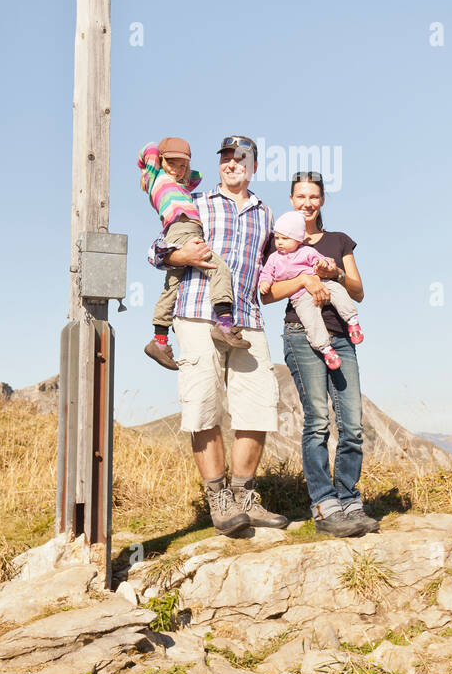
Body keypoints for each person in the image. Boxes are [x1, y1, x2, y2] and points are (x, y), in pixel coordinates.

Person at [148, 135, 287, 537]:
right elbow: (157, 250)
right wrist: (181, 256)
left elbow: (267, 272)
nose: (232, 164)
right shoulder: (198, 203)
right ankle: (219, 502)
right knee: (203, 406)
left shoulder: (266, 214)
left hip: (247, 320)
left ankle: (244, 497)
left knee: (258, 406)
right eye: (226, 158)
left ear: (253, 166)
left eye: (240, 158)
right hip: (195, 315)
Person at [260, 172, 378, 537]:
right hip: (302, 334)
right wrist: (304, 280)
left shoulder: (338, 241)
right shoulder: (278, 240)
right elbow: (266, 294)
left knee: (353, 425)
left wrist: (334, 273)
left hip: (342, 335)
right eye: (300, 196)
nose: (307, 203)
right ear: (292, 199)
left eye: (314, 196)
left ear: (322, 200)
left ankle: (349, 499)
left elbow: (358, 291)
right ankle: (324, 504)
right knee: (317, 423)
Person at [137, 136, 249, 370]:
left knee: (171, 288)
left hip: (182, 232)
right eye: (173, 163)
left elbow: (196, 176)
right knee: (219, 269)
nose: (178, 169)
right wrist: (160, 161)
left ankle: (159, 340)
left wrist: (182, 167)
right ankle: (225, 324)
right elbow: (149, 148)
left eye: (183, 165)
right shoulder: (155, 177)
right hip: (183, 230)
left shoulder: (181, 184)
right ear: (161, 160)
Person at [259, 210, 363, 370]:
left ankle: (352, 320)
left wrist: (324, 265)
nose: (279, 242)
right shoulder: (274, 258)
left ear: (298, 239)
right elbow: (266, 273)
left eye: (285, 238)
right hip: (300, 296)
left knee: (337, 290)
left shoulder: (306, 251)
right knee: (310, 320)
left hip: (321, 283)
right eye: (278, 238)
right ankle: (325, 348)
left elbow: (322, 260)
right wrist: (264, 282)